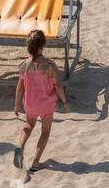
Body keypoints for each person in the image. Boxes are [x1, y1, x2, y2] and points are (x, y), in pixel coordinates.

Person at [13, 29, 68, 173]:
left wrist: (17, 104)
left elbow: (20, 86)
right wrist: (65, 102)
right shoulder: (50, 65)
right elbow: (58, 85)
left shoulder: (24, 65)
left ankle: (20, 145)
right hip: (46, 104)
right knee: (45, 132)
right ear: (42, 45)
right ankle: (36, 162)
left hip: (30, 103)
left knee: (28, 125)